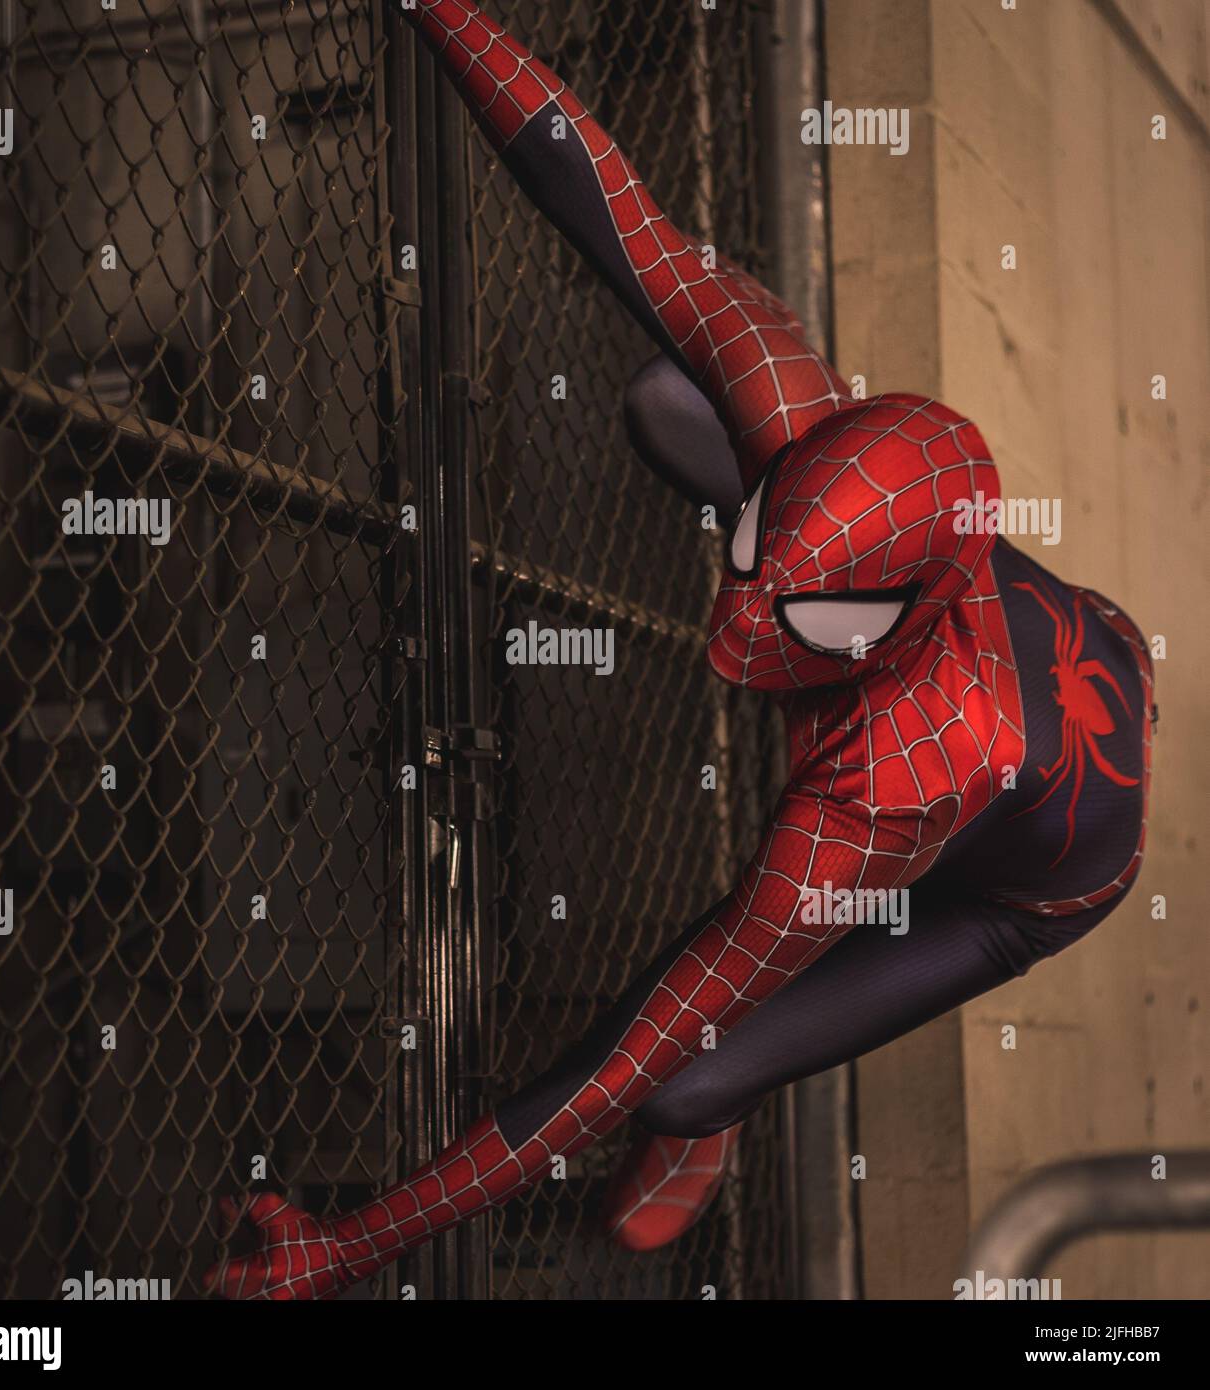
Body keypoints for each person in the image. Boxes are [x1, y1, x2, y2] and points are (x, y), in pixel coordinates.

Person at [207, 0, 1153, 1296]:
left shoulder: (886, 787)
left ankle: (715, 1125)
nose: (732, 618)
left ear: (893, 625)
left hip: (1030, 874)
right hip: (1034, 639)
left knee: (698, 1067)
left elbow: (622, 1052)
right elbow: (600, 192)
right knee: (670, 392)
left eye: (797, 611)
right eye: (760, 539)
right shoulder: (801, 416)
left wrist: (350, 1240)